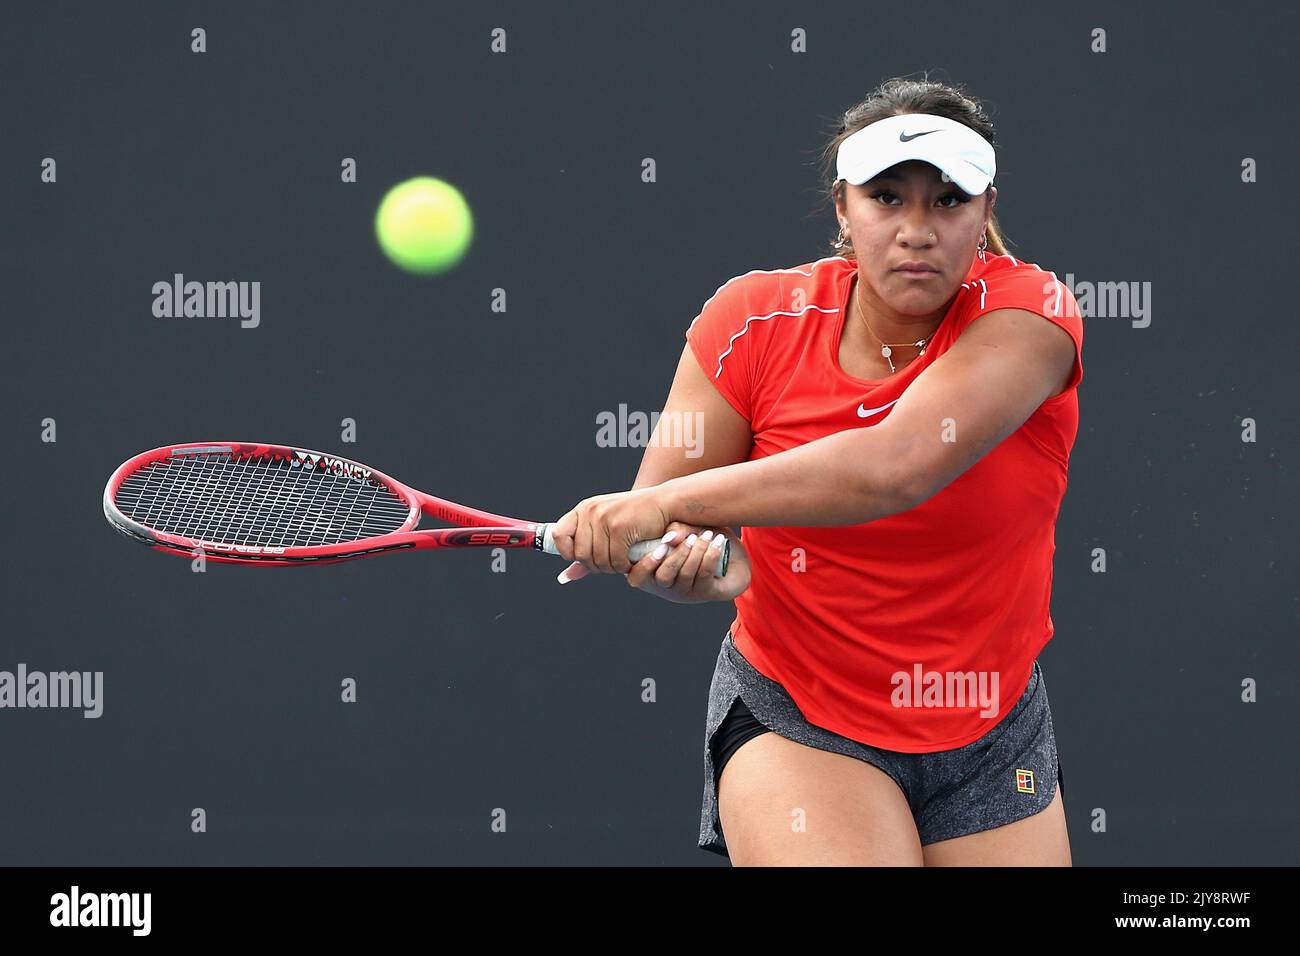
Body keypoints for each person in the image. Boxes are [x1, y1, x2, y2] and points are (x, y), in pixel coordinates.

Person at [549, 76, 1083, 866]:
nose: (916, 229)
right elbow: (678, 548)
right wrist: (691, 567)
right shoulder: (749, 322)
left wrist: (663, 504)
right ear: (842, 209)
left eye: (947, 201)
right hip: (800, 717)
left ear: (986, 212)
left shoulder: (1033, 315)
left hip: (992, 731)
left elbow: (895, 466)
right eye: (886, 198)